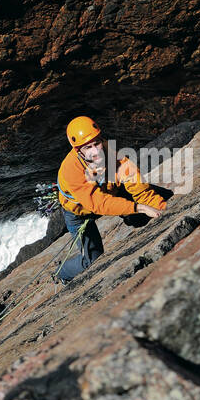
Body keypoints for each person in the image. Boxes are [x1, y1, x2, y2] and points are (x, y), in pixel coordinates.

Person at [54, 116, 168, 282]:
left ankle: (134, 217)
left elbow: (133, 180)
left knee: (158, 198)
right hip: (79, 213)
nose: (95, 150)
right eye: (88, 147)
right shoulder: (71, 170)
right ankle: (61, 273)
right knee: (93, 260)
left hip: (107, 192)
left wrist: (161, 206)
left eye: (97, 143)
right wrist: (140, 207)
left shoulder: (107, 149)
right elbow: (98, 203)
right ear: (78, 150)